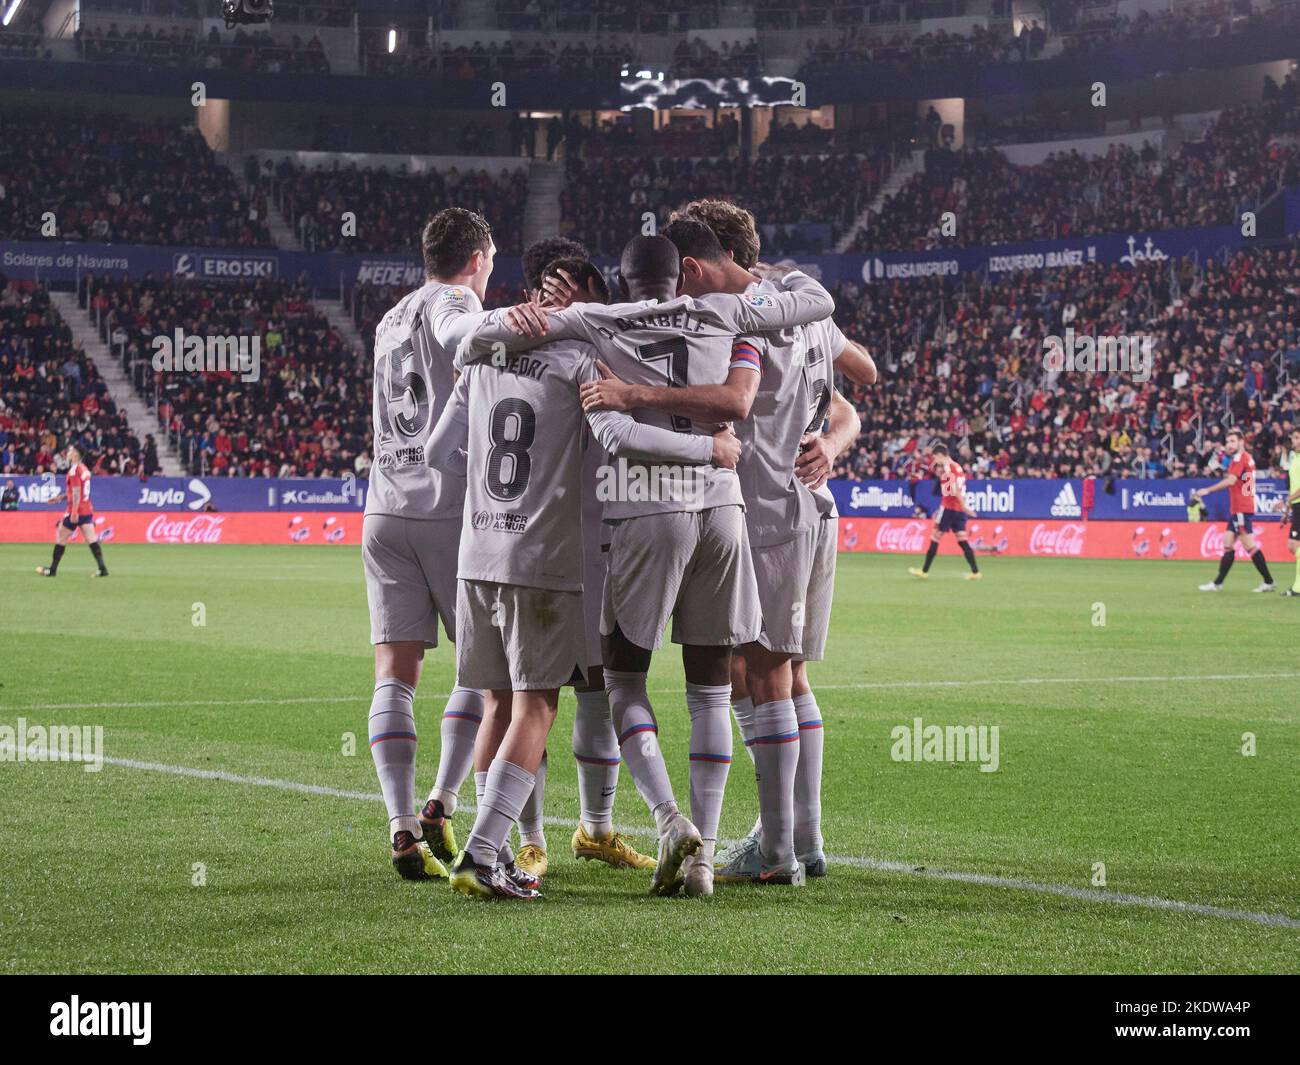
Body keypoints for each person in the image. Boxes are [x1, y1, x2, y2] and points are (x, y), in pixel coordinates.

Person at [452, 233, 835, 896]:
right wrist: (754, 277)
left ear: (622, 281)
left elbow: (487, 339)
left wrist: (528, 316)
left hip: (642, 509)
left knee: (623, 681)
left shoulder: (598, 322)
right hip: (723, 507)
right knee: (712, 685)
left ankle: (663, 825)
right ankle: (704, 861)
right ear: (682, 275)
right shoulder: (727, 311)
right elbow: (815, 298)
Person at [425, 258, 741, 899]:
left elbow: (438, 454)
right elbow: (619, 436)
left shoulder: (481, 355)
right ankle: (482, 856)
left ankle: (505, 849)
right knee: (537, 704)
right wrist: (712, 449)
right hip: (540, 561)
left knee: (497, 703)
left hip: (477, 554)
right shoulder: (577, 361)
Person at [361, 207, 495, 882]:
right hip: (447, 509)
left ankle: (401, 827)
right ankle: (442, 800)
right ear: (475, 259)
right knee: (484, 669)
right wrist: (503, 325)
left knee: (395, 673)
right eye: (491, 264)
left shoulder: (388, 319)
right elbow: (460, 326)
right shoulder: (455, 298)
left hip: (384, 508)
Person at [1194, 428, 1275, 592]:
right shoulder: (1245, 458)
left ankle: (1268, 581)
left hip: (1241, 508)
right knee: (1228, 543)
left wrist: (1208, 490)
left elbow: (1231, 481)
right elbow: (1233, 475)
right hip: (1240, 507)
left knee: (1249, 546)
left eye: (1232, 441)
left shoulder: (1240, 459)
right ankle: (1218, 583)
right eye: (1227, 442)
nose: (1229, 445)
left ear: (1241, 442)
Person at [909, 443, 981, 580]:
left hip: (949, 507)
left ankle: (924, 571)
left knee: (935, 537)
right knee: (962, 539)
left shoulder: (948, 468)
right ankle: (976, 572)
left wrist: (965, 506)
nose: (934, 461)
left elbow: (954, 490)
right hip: (958, 510)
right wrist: (963, 507)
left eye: (935, 458)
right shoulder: (957, 467)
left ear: (940, 455)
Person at [37, 445, 108, 578]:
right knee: (92, 540)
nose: (68, 453)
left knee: (61, 539)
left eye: (70, 451)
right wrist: (60, 497)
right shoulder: (84, 469)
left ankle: (52, 570)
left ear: (76, 455)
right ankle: (102, 568)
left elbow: (76, 492)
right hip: (86, 510)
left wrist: (74, 512)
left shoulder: (74, 470)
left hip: (75, 511)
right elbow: (77, 490)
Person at [1282, 428, 1300, 599]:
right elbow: (1293, 486)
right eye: (1293, 438)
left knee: (1294, 546)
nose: (1294, 441)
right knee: (1293, 546)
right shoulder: (1294, 458)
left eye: (1297, 438)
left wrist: (1288, 501)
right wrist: (1288, 509)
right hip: (1296, 506)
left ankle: (1298, 588)